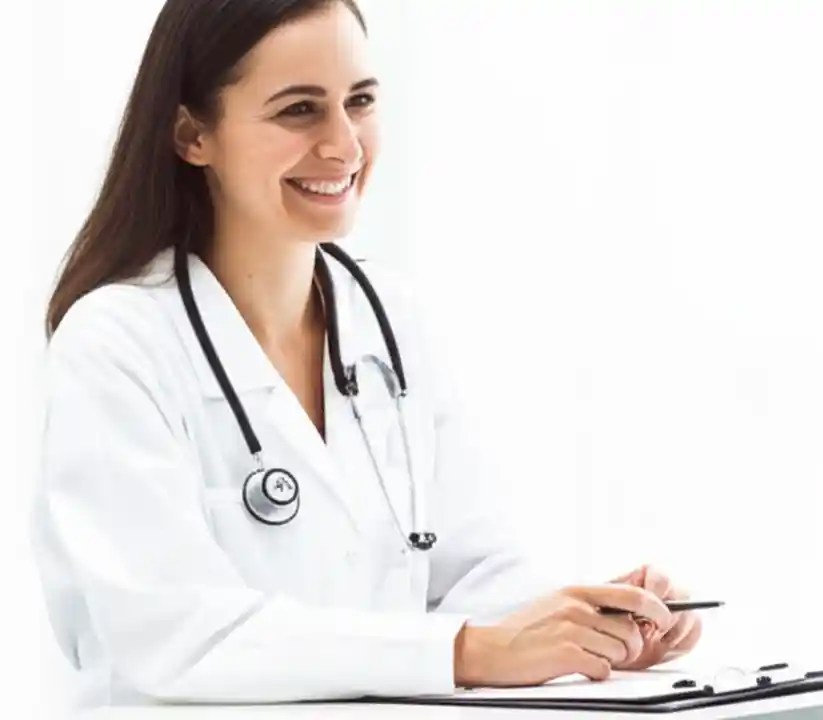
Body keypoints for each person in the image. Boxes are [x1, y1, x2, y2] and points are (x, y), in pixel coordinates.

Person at [33, 0, 700, 706]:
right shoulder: (117, 344)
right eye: (299, 111)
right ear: (192, 134)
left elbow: (469, 578)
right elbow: (178, 635)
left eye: (360, 102)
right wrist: (470, 651)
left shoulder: (389, 322)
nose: (345, 144)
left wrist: (593, 622)